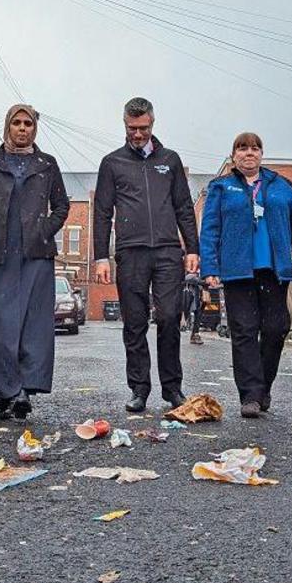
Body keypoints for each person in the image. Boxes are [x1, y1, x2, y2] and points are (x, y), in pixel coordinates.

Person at [200, 132, 292, 418]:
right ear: (234, 156)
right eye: (242, 148)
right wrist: (210, 268)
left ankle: (263, 386)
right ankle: (251, 395)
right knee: (244, 330)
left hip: (273, 270)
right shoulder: (221, 187)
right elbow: (210, 230)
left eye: (254, 148)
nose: (249, 153)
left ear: (261, 154)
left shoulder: (281, 186)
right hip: (237, 272)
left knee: (277, 328)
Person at [0, 104, 70, 420]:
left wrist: (44, 231)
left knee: (31, 326)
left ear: (34, 129)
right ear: (7, 126)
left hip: (35, 256)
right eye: (16, 123)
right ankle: (8, 391)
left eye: (28, 124)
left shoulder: (47, 165)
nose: (22, 128)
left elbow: (61, 206)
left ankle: (21, 390)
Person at [93, 97, 199, 413]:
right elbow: (102, 212)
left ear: (152, 123)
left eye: (143, 128)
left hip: (167, 251)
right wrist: (101, 256)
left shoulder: (170, 160)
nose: (137, 134)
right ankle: (139, 389)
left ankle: (172, 389)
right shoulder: (112, 163)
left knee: (169, 317)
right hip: (130, 253)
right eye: (132, 128)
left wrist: (192, 248)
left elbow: (184, 206)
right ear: (124, 124)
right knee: (135, 322)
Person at [182, 271, 205, 345]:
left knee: (198, 314)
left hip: (199, 293)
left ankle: (195, 334)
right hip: (188, 291)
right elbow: (188, 278)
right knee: (185, 311)